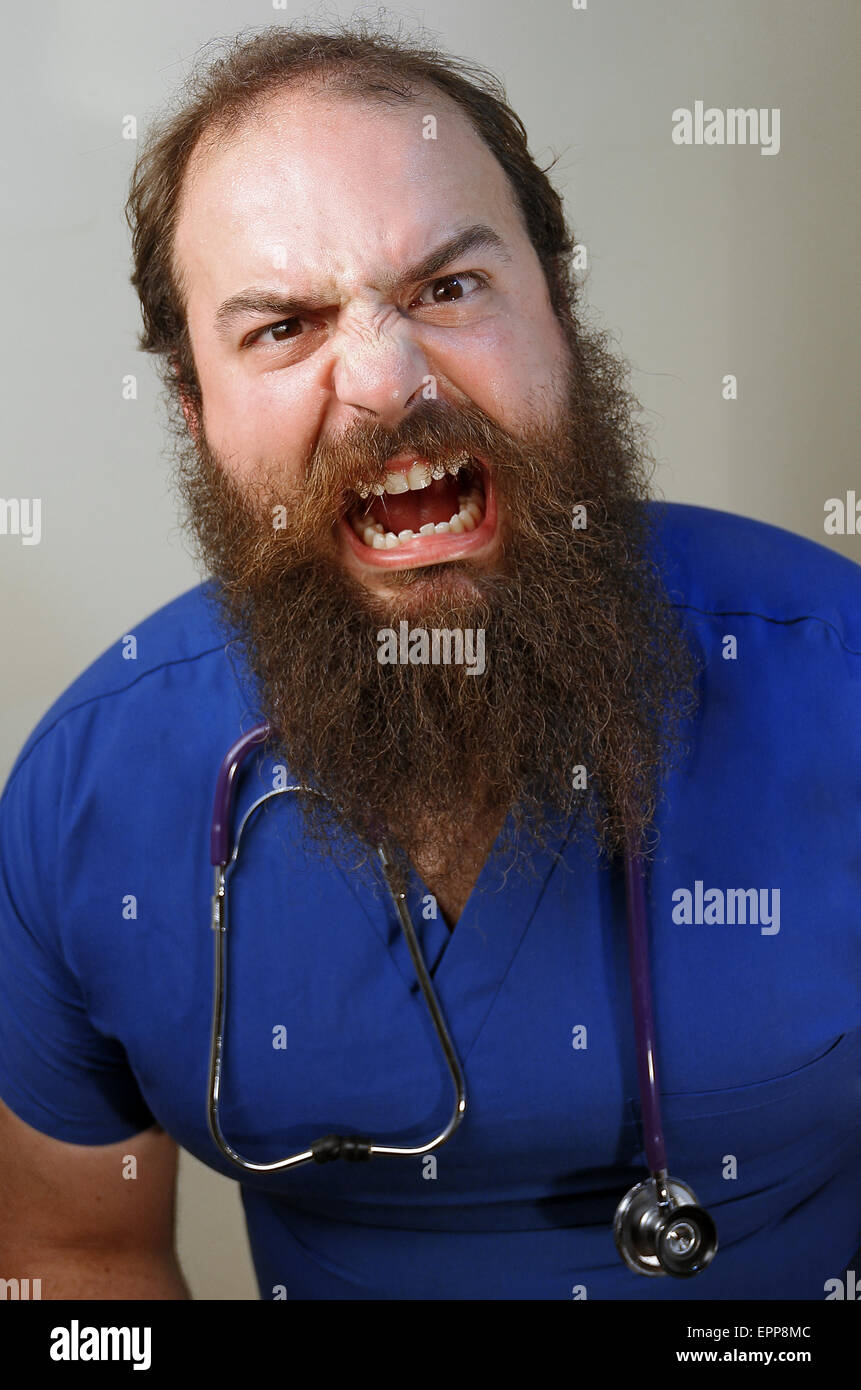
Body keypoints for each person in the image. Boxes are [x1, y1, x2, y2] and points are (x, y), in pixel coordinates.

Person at [0, 22, 858, 1302]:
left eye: (449, 289)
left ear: (559, 316)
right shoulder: (84, 799)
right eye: (284, 327)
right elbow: (74, 1257)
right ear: (194, 412)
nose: (391, 384)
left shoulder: (835, 675)